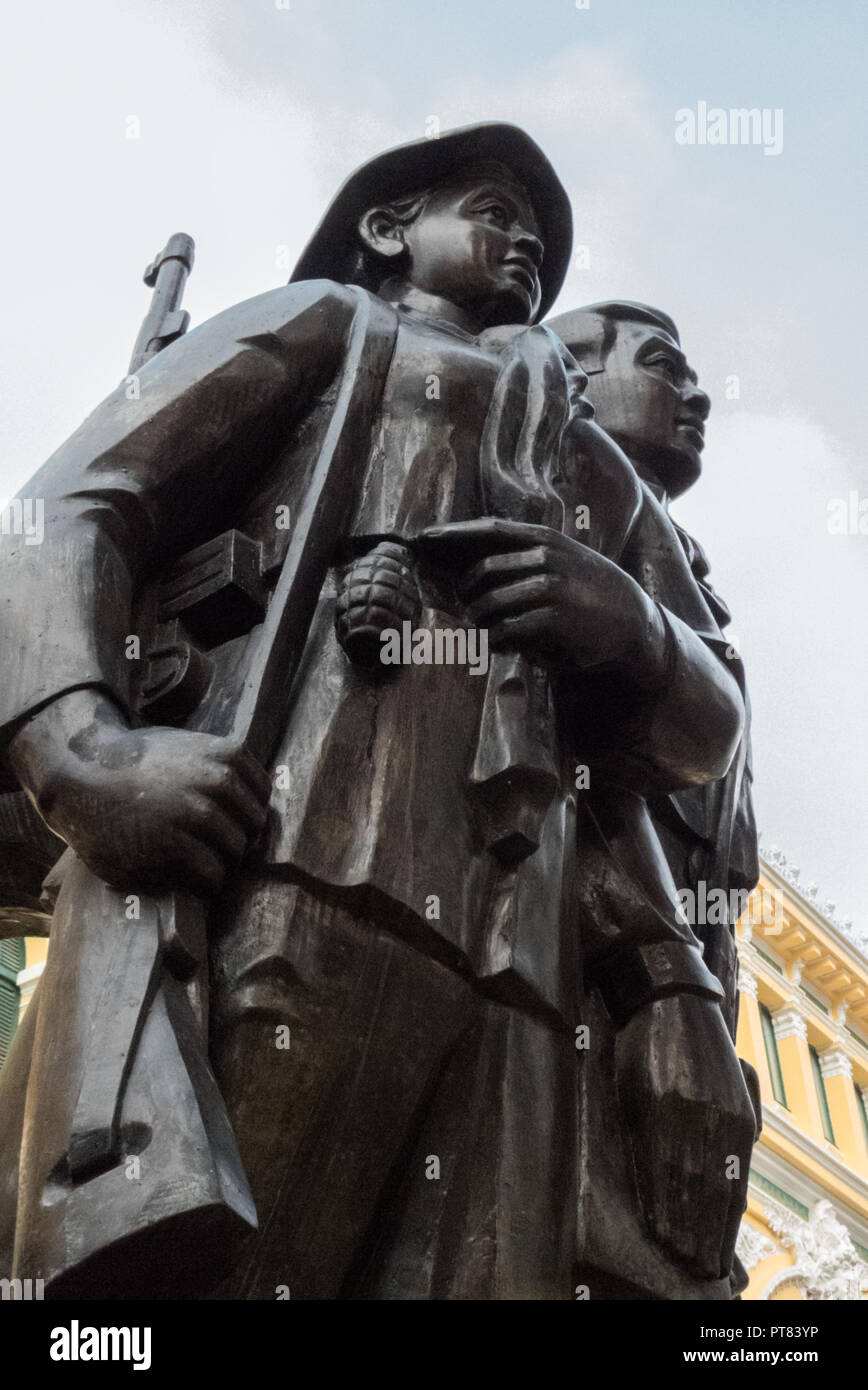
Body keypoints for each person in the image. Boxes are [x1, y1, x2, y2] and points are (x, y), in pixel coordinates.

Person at [0, 126, 754, 1299]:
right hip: (295, 859)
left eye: (547, 250)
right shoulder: (328, 323)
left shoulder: (587, 468)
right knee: (208, 1261)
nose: (527, 254)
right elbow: (73, 509)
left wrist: (628, 626)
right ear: (388, 230)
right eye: (497, 212)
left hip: (523, 969)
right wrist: (78, 746)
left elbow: (703, 735)